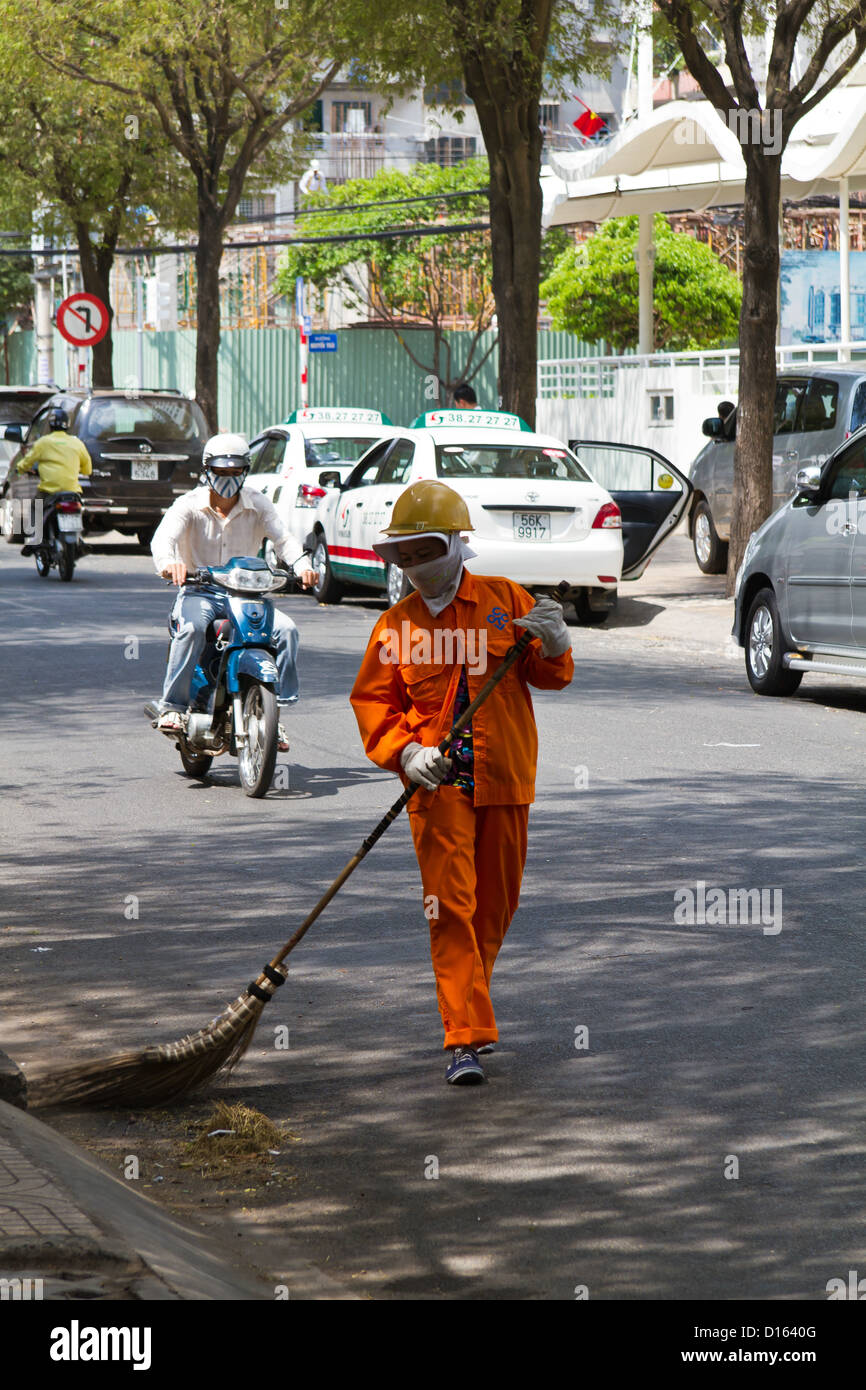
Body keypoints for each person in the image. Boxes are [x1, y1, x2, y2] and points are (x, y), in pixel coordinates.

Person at [349, 480, 574, 1085]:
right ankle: (465, 1039)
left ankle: (470, 1008)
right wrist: (405, 753)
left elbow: (551, 676)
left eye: (426, 551)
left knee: (494, 910)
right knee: (451, 907)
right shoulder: (395, 626)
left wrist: (556, 643)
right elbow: (373, 704)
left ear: (454, 544)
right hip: (437, 788)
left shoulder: (505, 599)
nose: (417, 566)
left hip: (506, 780)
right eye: (406, 556)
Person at [150, 432, 316, 751]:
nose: (228, 477)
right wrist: (170, 563)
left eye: (235, 471)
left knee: (287, 631)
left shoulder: (258, 504)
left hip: (247, 596)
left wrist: (303, 565)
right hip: (200, 592)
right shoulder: (188, 504)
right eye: (220, 471)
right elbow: (163, 539)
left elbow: (284, 540)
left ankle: (274, 713)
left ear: (245, 471)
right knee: (191, 629)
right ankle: (173, 707)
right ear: (207, 470)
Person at [16, 406, 92, 496]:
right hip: (72, 492)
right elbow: (87, 470)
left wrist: (19, 470)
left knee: (37, 504)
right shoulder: (77, 443)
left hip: (48, 492)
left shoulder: (43, 442)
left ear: (50, 424)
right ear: (67, 424)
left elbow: (27, 462)